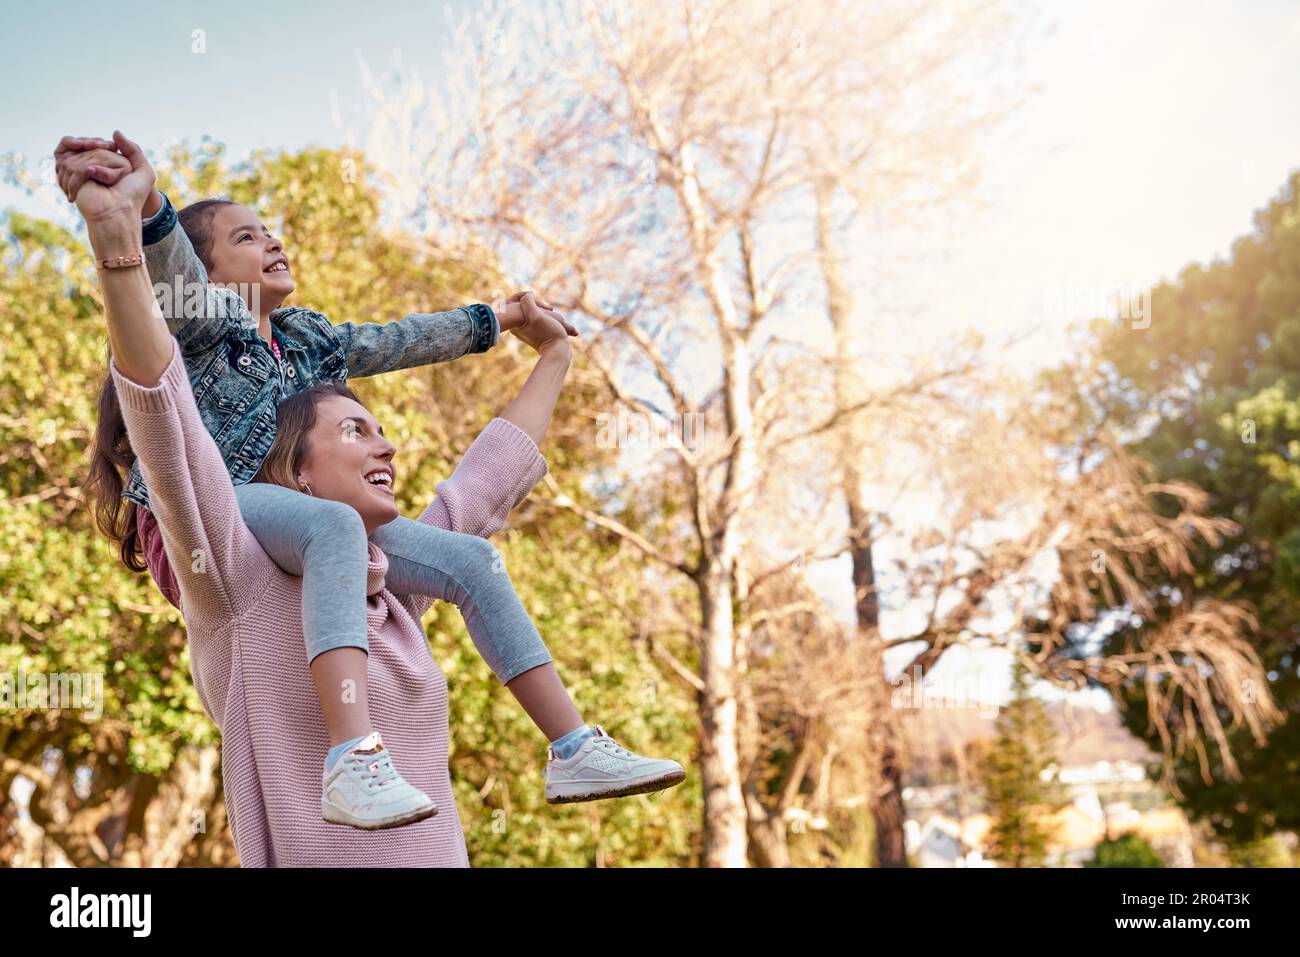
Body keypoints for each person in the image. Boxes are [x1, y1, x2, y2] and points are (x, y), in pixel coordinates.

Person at [70, 130, 685, 863]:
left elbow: (402, 341)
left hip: (307, 531)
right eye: (245, 236)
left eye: (271, 231)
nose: (272, 242)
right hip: (224, 517)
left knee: (470, 558)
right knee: (336, 527)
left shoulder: (310, 342)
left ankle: (572, 744)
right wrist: (148, 212)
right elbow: (166, 274)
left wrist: (504, 320)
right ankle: (352, 757)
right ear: (206, 271)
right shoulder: (206, 323)